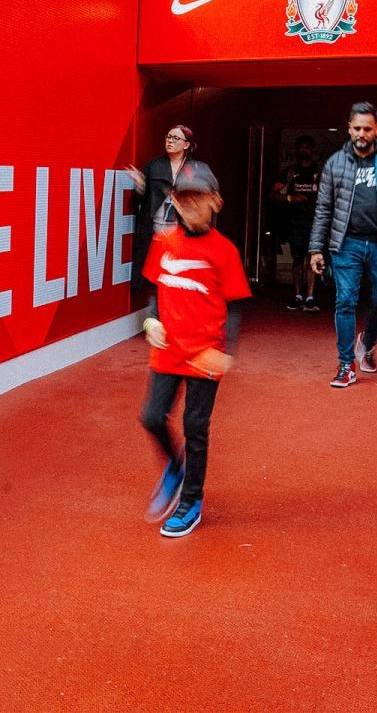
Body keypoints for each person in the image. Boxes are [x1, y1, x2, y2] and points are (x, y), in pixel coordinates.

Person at [138, 161, 251, 538]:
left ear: (215, 201)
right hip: (168, 349)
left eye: (197, 197)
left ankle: (191, 501)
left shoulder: (225, 251)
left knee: (195, 427)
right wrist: (151, 321)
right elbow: (157, 289)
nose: (189, 205)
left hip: (205, 352)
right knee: (152, 417)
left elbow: (234, 304)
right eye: (182, 197)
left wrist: (227, 350)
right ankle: (175, 466)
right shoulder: (163, 242)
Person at [307, 102, 377, 388]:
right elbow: (323, 208)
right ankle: (346, 364)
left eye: (367, 128)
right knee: (345, 301)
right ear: (349, 128)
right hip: (346, 243)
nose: (362, 133)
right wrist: (316, 248)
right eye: (357, 128)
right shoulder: (335, 163)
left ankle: (366, 342)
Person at [126, 125, 198, 295]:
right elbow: (136, 202)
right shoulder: (153, 165)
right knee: (151, 277)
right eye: (168, 136)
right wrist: (140, 187)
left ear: (186, 145)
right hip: (154, 231)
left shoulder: (195, 168)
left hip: (180, 233)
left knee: (176, 279)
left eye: (175, 138)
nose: (170, 141)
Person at [271, 135, 323, 311]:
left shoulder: (320, 173)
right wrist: (291, 197)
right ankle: (297, 295)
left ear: (312, 150)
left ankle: (310, 297)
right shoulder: (290, 172)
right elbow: (273, 194)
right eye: (301, 148)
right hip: (295, 221)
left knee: (312, 259)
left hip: (316, 222)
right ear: (297, 150)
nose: (304, 151)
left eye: (307, 147)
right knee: (297, 259)